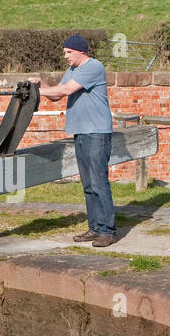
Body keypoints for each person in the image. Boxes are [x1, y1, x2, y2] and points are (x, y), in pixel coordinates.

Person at [30, 34, 117, 247]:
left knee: (98, 182)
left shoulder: (93, 66)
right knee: (88, 184)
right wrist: (41, 84)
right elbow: (56, 95)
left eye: (69, 52)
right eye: (65, 53)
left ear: (80, 51)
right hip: (81, 132)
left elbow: (67, 90)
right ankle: (95, 228)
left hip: (96, 133)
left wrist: (37, 90)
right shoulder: (72, 71)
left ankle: (107, 231)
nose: (66, 56)